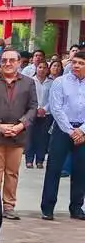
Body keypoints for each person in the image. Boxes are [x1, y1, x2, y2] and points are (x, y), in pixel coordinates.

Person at [0, 48, 36, 221]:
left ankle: (9, 206)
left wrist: (21, 125)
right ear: (0, 62)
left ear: (19, 62)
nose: (8, 64)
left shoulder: (28, 82)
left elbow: (33, 107)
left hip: (18, 134)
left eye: (12, 60)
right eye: (4, 60)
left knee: (12, 172)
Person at [41, 51, 85, 221]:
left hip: (82, 130)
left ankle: (76, 207)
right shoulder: (60, 82)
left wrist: (81, 130)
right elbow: (56, 108)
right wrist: (70, 130)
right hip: (62, 129)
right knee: (54, 168)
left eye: (81, 63)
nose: (76, 66)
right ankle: (48, 207)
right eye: (74, 62)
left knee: (81, 170)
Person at [26, 58, 64, 168]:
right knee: (30, 136)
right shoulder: (30, 81)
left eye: (44, 68)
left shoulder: (52, 83)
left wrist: (44, 109)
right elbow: (28, 97)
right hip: (32, 112)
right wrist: (37, 108)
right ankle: (29, 159)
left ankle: (40, 160)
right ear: (36, 68)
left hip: (46, 114)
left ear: (48, 70)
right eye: (40, 67)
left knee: (43, 137)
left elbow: (53, 98)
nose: (42, 70)